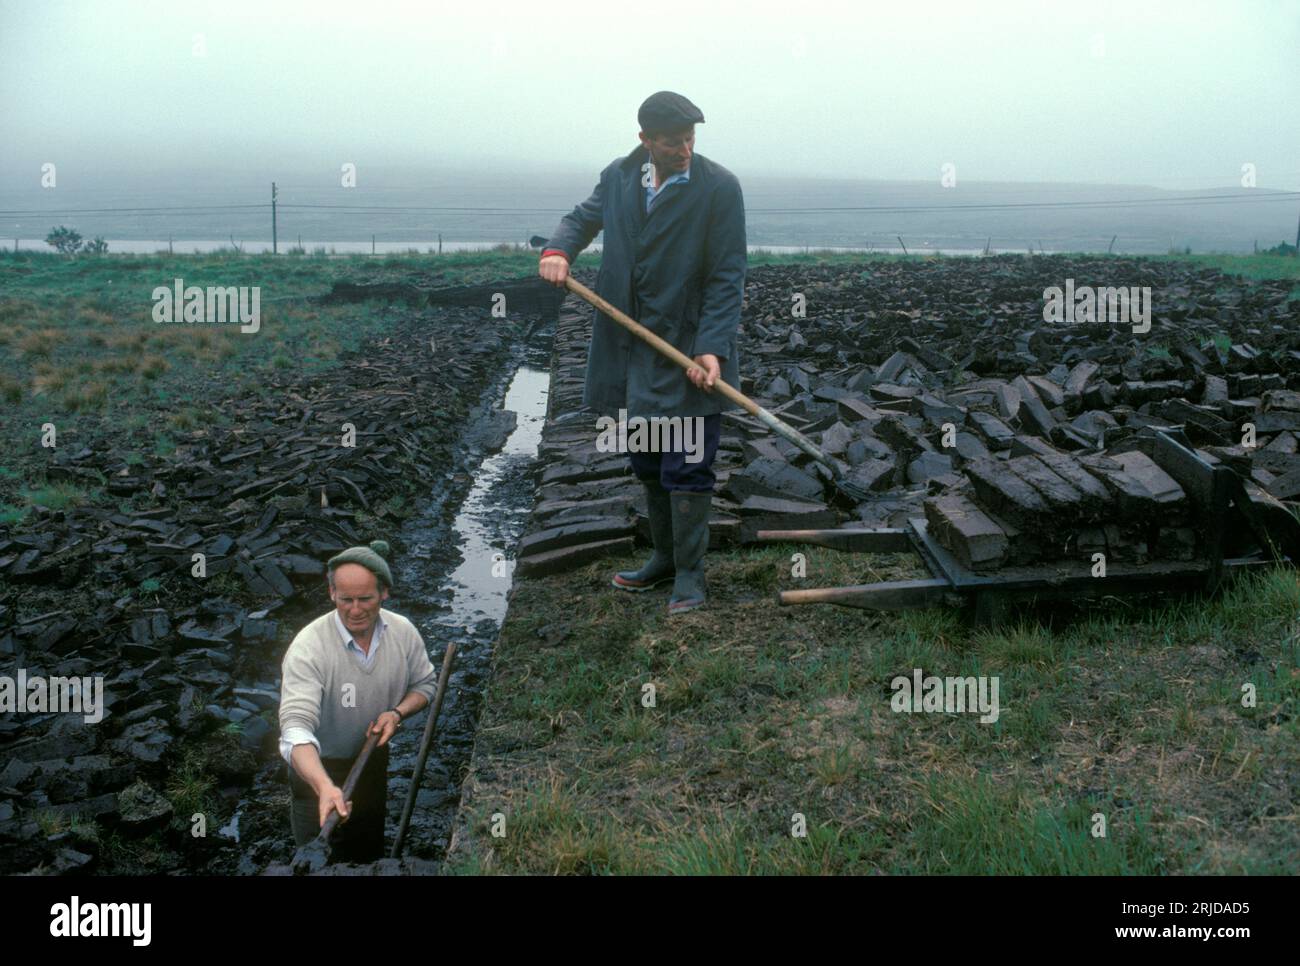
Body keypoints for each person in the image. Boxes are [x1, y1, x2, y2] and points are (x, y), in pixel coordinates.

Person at [539, 91, 747, 615]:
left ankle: (692, 578)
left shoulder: (718, 187)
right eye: (673, 141)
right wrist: (558, 250)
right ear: (645, 140)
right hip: (629, 348)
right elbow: (581, 219)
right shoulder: (619, 176)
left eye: (690, 139)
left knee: (689, 461)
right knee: (649, 460)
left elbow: (727, 276)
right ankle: (664, 560)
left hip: (685, 349)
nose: (684, 150)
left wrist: (713, 349)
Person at [277, 540, 437, 862]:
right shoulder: (309, 648)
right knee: (319, 861)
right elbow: (294, 728)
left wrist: (396, 713)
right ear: (331, 594)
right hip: (316, 772)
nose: (355, 609)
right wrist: (324, 787)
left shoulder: (403, 633)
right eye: (346, 599)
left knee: (368, 855)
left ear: (384, 593)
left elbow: (425, 684)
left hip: (370, 763)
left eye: (365, 598)